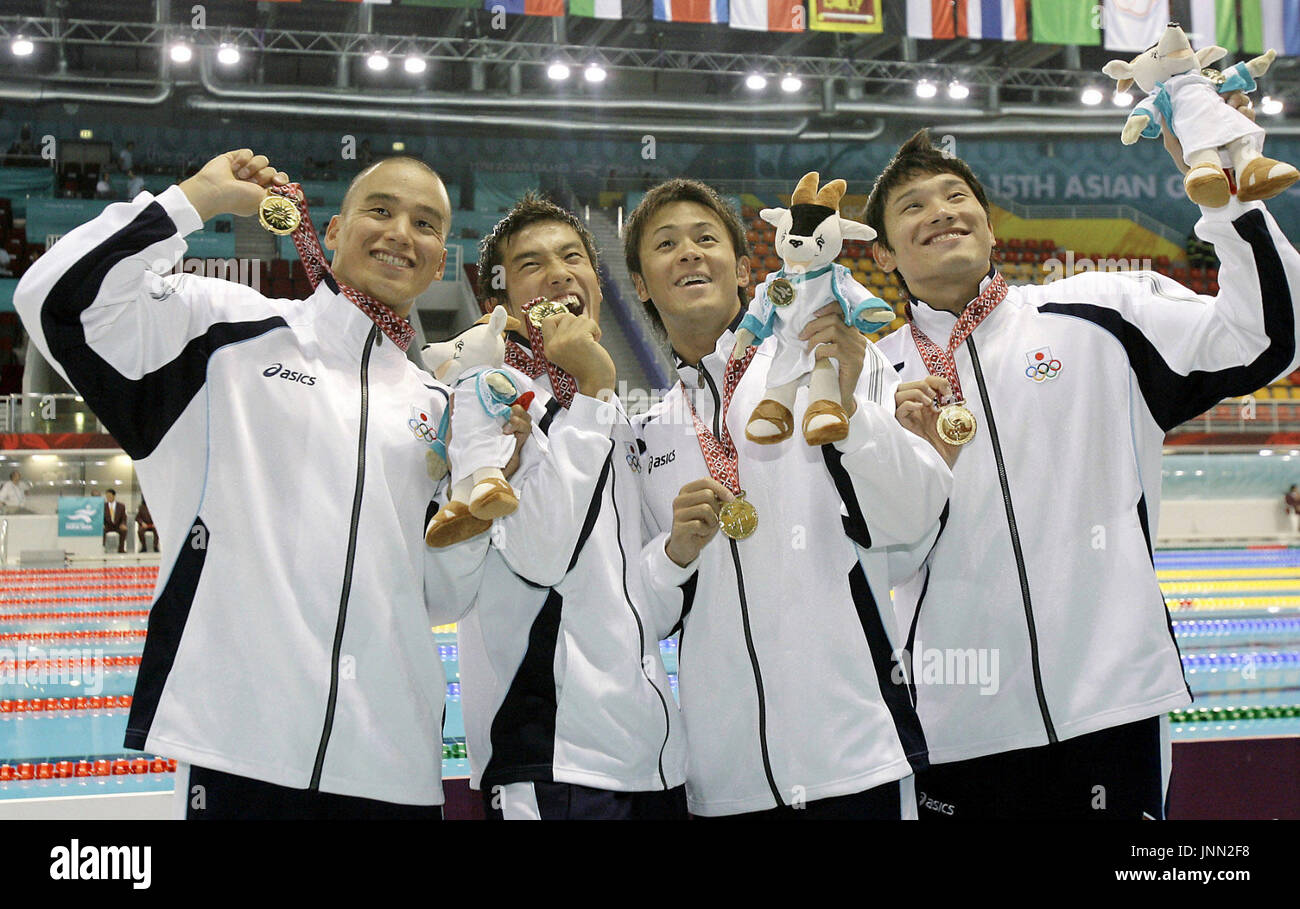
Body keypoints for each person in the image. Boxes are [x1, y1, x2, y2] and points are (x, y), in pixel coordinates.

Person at [14, 149, 509, 819]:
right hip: (246, 755)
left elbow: (439, 594)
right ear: (332, 232)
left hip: (396, 764)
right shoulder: (226, 333)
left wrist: (472, 516)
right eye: (381, 210)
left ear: (441, 254)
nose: (400, 233)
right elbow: (53, 298)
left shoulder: (432, 403)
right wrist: (196, 198)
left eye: (426, 223)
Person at [869, 124, 1300, 820]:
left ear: (990, 226)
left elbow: (1270, 335)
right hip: (957, 726)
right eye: (913, 205)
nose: (941, 210)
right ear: (885, 252)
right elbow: (870, 563)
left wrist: (1228, 207)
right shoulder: (869, 382)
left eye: (956, 195)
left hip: (1113, 706)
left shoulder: (1100, 312)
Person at [625, 179, 953, 818]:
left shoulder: (833, 361)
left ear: (746, 269)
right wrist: (672, 553)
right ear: (640, 282)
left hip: (854, 758)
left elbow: (916, 520)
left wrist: (854, 409)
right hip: (726, 780)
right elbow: (647, 613)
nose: (689, 254)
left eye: (705, 239)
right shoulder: (646, 431)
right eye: (666, 245)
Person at [453, 193, 688, 820]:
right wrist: (591, 389)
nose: (558, 273)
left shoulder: (609, 417)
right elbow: (542, 553)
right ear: (496, 307)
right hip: (550, 757)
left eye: (572, 257)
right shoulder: (486, 405)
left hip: (651, 754)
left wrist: (676, 555)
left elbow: (638, 604)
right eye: (530, 265)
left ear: (598, 286)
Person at [102, 489, 127, 553]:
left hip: (118, 526)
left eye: (109, 496)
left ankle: (121, 549)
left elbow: (124, 517)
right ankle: (104, 548)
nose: (108, 498)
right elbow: (101, 517)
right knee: (102, 530)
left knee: (123, 530)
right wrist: (102, 524)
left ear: (114, 496)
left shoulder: (121, 506)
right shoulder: (103, 506)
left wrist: (123, 524)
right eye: (107, 496)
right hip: (107, 526)